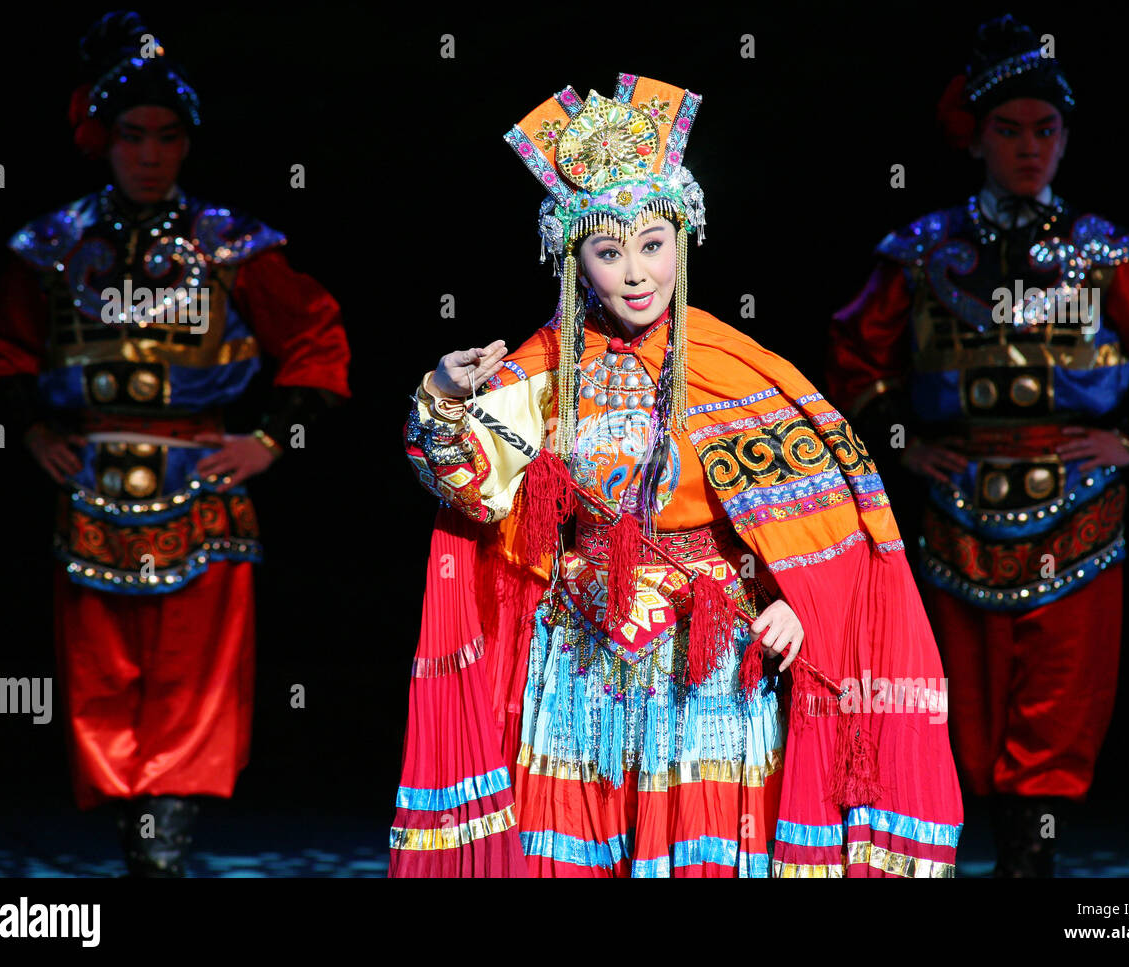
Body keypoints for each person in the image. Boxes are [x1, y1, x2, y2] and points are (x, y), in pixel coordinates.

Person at [392, 73, 962, 877]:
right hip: (579, 663)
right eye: (608, 249)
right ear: (572, 257)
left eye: (652, 245)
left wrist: (796, 603)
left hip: (709, 657)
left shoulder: (734, 366)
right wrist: (444, 400)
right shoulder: (543, 366)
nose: (635, 273)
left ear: (682, 240)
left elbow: (821, 518)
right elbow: (471, 491)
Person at [826, 15, 1129, 876]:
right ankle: (995, 849)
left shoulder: (1109, 254)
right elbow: (854, 355)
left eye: (1046, 130)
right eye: (1009, 130)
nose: (1029, 148)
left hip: (1078, 501)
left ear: (1067, 138)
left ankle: (1031, 858)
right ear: (975, 137)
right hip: (957, 497)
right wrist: (903, 443)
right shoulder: (922, 251)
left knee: (1063, 692)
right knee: (967, 697)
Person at [0, 10, 351, 876]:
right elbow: (0, 349)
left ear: (187, 144)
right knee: (102, 674)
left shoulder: (230, 246)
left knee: (192, 675)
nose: (149, 154)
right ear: (103, 139)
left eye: (167, 137)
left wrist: (271, 440)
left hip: (204, 483)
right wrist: (29, 431)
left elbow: (318, 342)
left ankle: (167, 834)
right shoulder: (53, 247)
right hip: (92, 479)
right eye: (133, 136)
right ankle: (134, 826)